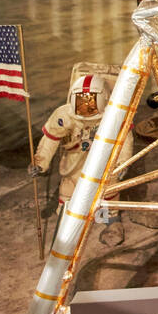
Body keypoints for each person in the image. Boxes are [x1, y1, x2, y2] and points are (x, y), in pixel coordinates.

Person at [30, 72, 131, 242]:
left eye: (90, 101)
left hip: (104, 160)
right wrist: (40, 162)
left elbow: (124, 139)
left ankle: (109, 219)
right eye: (81, 100)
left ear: (102, 99)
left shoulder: (114, 114)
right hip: (74, 161)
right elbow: (50, 139)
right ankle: (68, 221)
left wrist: (122, 163)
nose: (85, 106)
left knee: (108, 188)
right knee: (69, 189)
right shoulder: (64, 116)